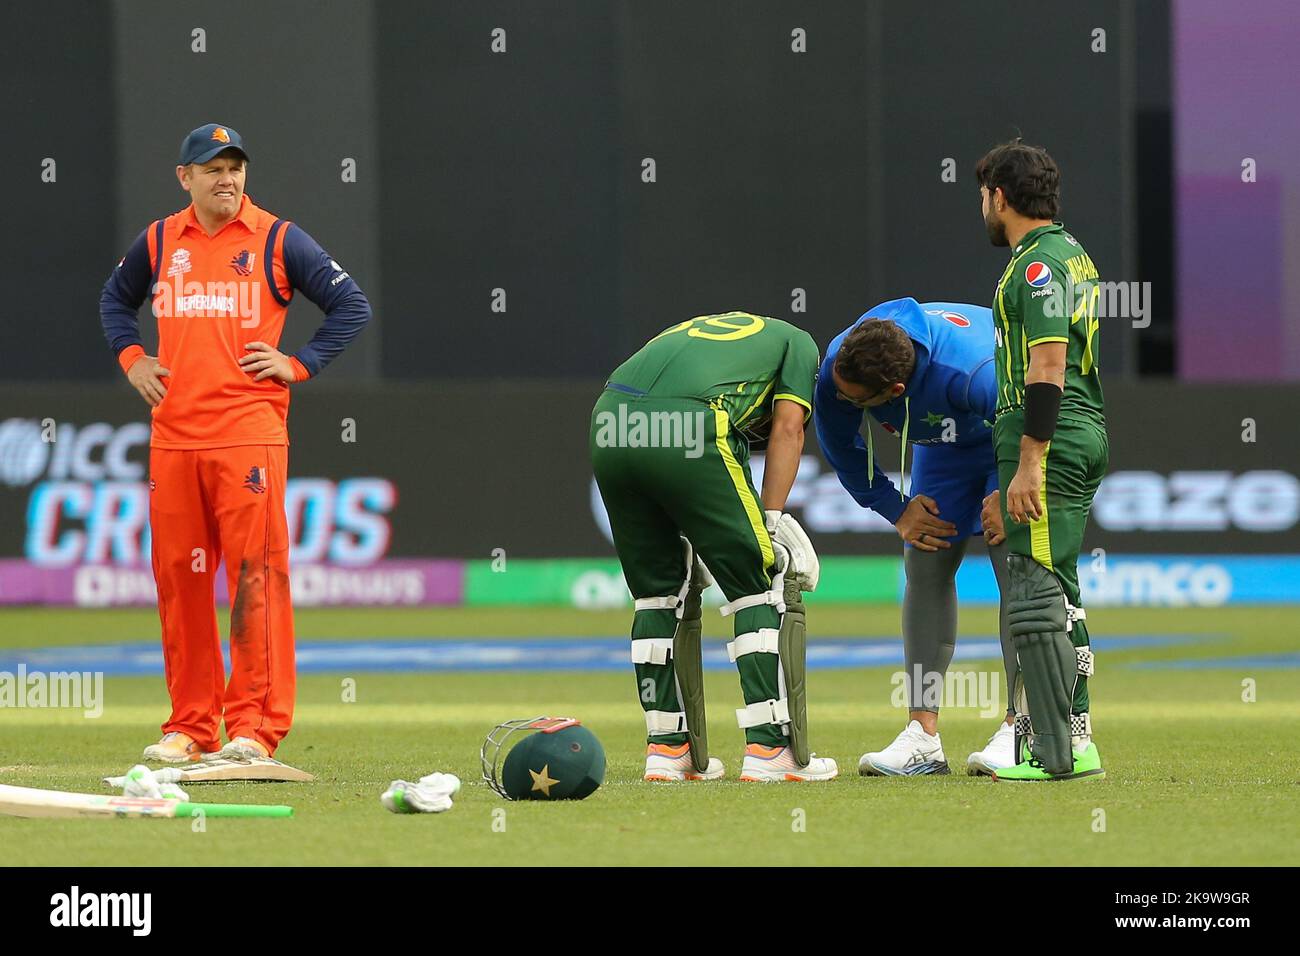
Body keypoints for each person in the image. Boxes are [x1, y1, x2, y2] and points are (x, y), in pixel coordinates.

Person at [99, 123, 372, 763]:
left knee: (257, 578)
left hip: (249, 435)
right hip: (175, 439)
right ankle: (191, 728)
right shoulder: (162, 239)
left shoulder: (277, 237)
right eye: (213, 168)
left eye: (235, 167)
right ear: (184, 177)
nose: (227, 179)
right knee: (181, 583)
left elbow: (350, 305)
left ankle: (253, 731)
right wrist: (133, 356)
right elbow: (116, 299)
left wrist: (298, 364)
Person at [590, 311, 837, 782]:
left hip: (609, 419)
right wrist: (772, 518)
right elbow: (788, 428)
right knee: (762, 578)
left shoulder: (697, 330)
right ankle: (772, 750)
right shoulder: (801, 344)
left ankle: (667, 750)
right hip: (689, 420)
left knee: (658, 591)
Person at [814, 297, 1018, 776]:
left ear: (897, 389)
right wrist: (895, 507)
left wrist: (1012, 489)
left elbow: (1034, 423)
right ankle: (922, 737)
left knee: (1015, 565)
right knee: (924, 561)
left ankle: (1021, 727)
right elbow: (839, 442)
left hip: (1009, 432)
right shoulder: (840, 366)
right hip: (944, 448)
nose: (843, 401)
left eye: (857, 401)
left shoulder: (973, 369)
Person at [974, 139, 1108, 781]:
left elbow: (1048, 363)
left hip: (1049, 437)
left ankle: (1057, 752)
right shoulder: (1068, 253)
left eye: (983, 196)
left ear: (1000, 196)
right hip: (1064, 433)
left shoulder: (1038, 265)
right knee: (1059, 586)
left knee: (1034, 591)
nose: (984, 208)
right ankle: (1071, 736)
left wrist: (1030, 459)